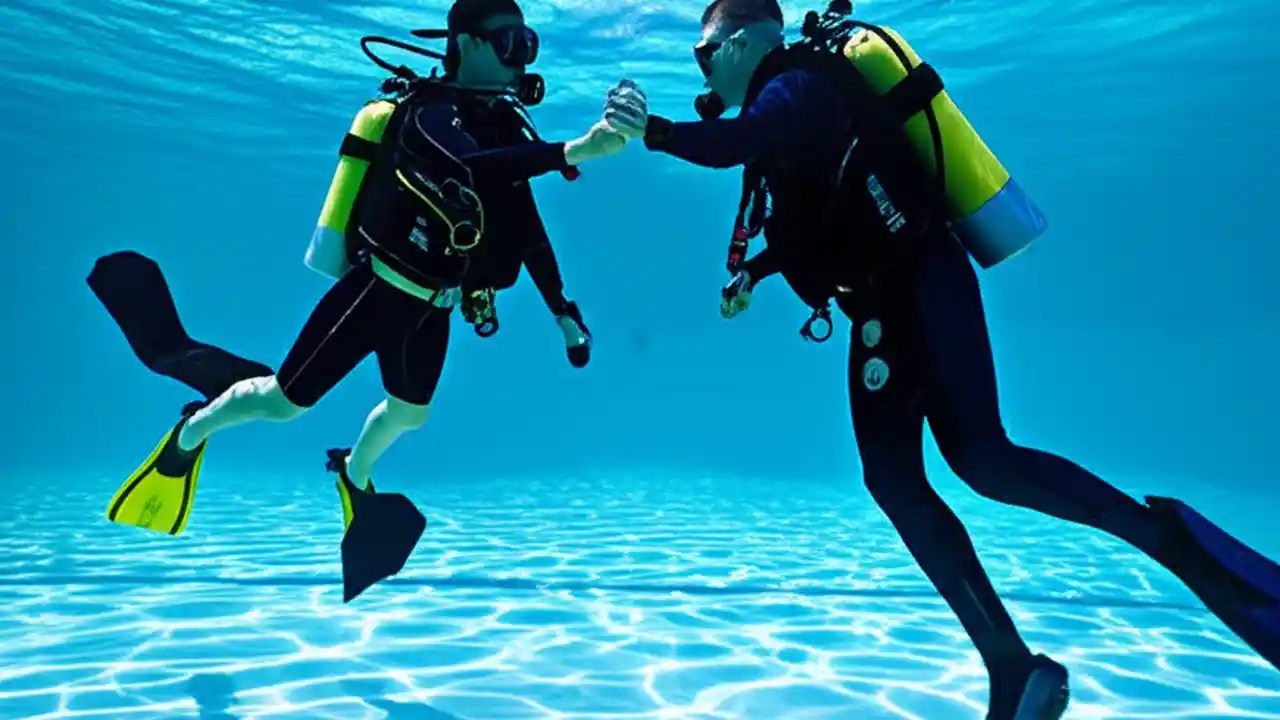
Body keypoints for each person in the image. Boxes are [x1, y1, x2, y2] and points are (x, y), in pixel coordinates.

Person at [599, 0, 1280, 717]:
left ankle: (1058, 633)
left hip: (907, 293)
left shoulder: (791, 84)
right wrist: (758, 271)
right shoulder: (798, 91)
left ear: (739, 43)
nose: (704, 72)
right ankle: (1106, 598)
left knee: (931, 471)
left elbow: (743, 141)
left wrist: (655, 131)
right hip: (915, 286)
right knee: (976, 463)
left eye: (704, 56)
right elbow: (815, 214)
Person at [90, 0, 630, 603]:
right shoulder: (427, 114)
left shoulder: (503, 125)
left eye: (527, 43)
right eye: (509, 42)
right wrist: (575, 150)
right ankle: (191, 434)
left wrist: (561, 309)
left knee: (410, 413)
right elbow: (471, 166)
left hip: (436, 303)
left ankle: (355, 472)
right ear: (469, 43)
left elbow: (526, 225)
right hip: (376, 292)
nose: (520, 58)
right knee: (283, 402)